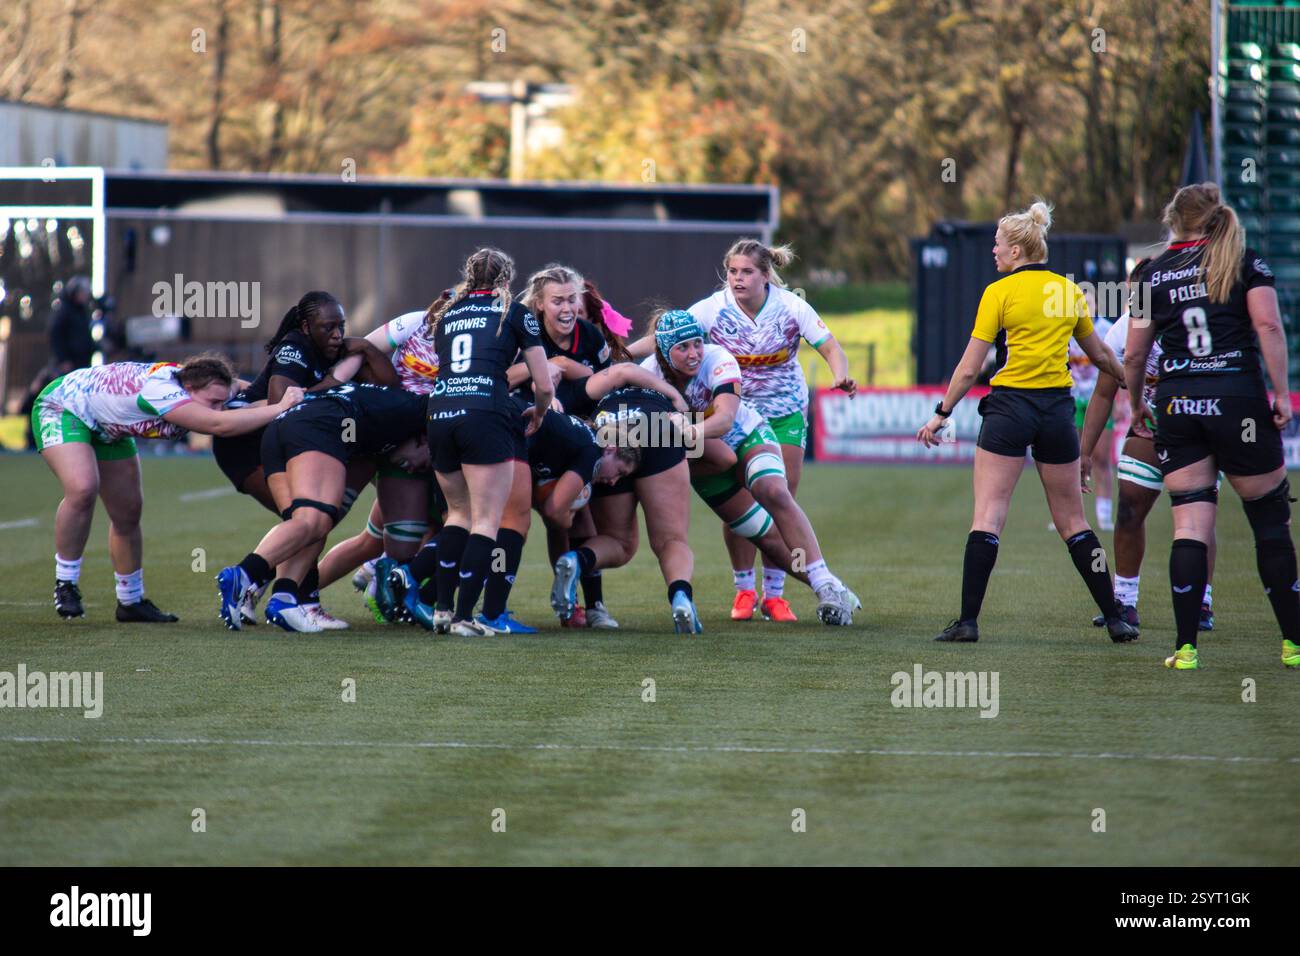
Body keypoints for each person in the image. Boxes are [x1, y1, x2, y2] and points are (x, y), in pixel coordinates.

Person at [916, 200, 1138, 644]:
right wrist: (1134, 384)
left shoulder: (998, 293)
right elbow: (1099, 355)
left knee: (988, 517)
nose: (993, 252)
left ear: (1017, 249)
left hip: (1009, 410)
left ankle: (968, 623)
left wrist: (941, 414)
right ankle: (1115, 616)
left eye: (998, 245)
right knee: (1075, 522)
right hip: (1057, 412)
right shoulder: (1067, 291)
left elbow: (967, 368)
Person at [1122, 183, 1300, 671]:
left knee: (1190, 524)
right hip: (1238, 399)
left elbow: (1135, 353)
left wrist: (1138, 404)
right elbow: (1267, 327)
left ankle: (1186, 648)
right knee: (1269, 522)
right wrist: (1281, 395)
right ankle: (1293, 645)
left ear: (1173, 220)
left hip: (1178, 404)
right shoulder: (1246, 262)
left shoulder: (1147, 274)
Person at [32, 354, 303, 621]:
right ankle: (66, 583)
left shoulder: (207, 385)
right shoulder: (161, 391)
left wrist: (299, 396)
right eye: (214, 402)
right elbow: (218, 425)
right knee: (83, 488)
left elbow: (246, 393)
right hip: (64, 407)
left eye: (223, 401)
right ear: (188, 390)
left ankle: (130, 601)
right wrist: (281, 407)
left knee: (127, 511)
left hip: (110, 427)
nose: (220, 407)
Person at [640, 309, 859, 625]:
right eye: (682, 347)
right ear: (663, 351)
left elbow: (726, 418)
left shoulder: (718, 358)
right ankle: (832, 589)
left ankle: (824, 582)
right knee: (765, 536)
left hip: (746, 434)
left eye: (696, 344)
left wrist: (689, 430)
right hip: (703, 461)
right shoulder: (649, 376)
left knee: (773, 491)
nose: (693, 354)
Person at [682, 240, 856, 622]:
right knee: (744, 502)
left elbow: (829, 346)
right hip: (732, 413)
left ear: (765, 275)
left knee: (780, 498)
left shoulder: (790, 305)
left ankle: (774, 596)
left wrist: (839, 374)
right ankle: (744, 589)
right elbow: (668, 338)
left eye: (746, 272)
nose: (738, 279)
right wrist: (623, 356)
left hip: (785, 413)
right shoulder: (712, 309)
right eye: (732, 271)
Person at [213, 291, 397, 629]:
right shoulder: (294, 348)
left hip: (276, 439)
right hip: (246, 442)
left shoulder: (333, 348)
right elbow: (280, 402)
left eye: (341, 326)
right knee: (310, 519)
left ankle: (270, 591)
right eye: (329, 327)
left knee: (314, 520)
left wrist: (368, 348)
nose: (338, 335)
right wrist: (331, 384)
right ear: (305, 326)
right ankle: (273, 591)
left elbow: (389, 383)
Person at [215, 382, 429, 632]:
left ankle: (285, 599)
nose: (413, 468)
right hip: (318, 426)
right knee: (313, 520)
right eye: (424, 460)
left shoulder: (388, 412)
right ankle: (243, 575)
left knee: (306, 527)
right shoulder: (419, 410)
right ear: (423, 438)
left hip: (280, 430)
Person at [421, 247, 553, 637]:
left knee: (457, 514)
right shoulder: (514, 311)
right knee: (486, 520)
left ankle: (443, 611)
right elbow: (543, 384)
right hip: (485, 412)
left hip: (440, 412)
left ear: (470, 277)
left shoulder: (448, 313)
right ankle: (464, 617)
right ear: (506, 281)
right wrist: (541, 411)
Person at [1079, 264, 1216, 635]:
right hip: (1149, 427)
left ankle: (1202, 600)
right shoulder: (1123, 328)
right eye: (1132, 293)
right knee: (1128, 509)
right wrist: (1085, 451)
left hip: (1194, 426)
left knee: (1195, 517)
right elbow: (1104, 393)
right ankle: (1125, 599)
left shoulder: (1192, 319)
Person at [48, 276, 96, 376]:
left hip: (82, 363)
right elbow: (55, 335)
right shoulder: (64, 312)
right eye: (83, 292)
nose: (85, 295)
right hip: (69, 365)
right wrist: (63, 359)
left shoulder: (82, 312)